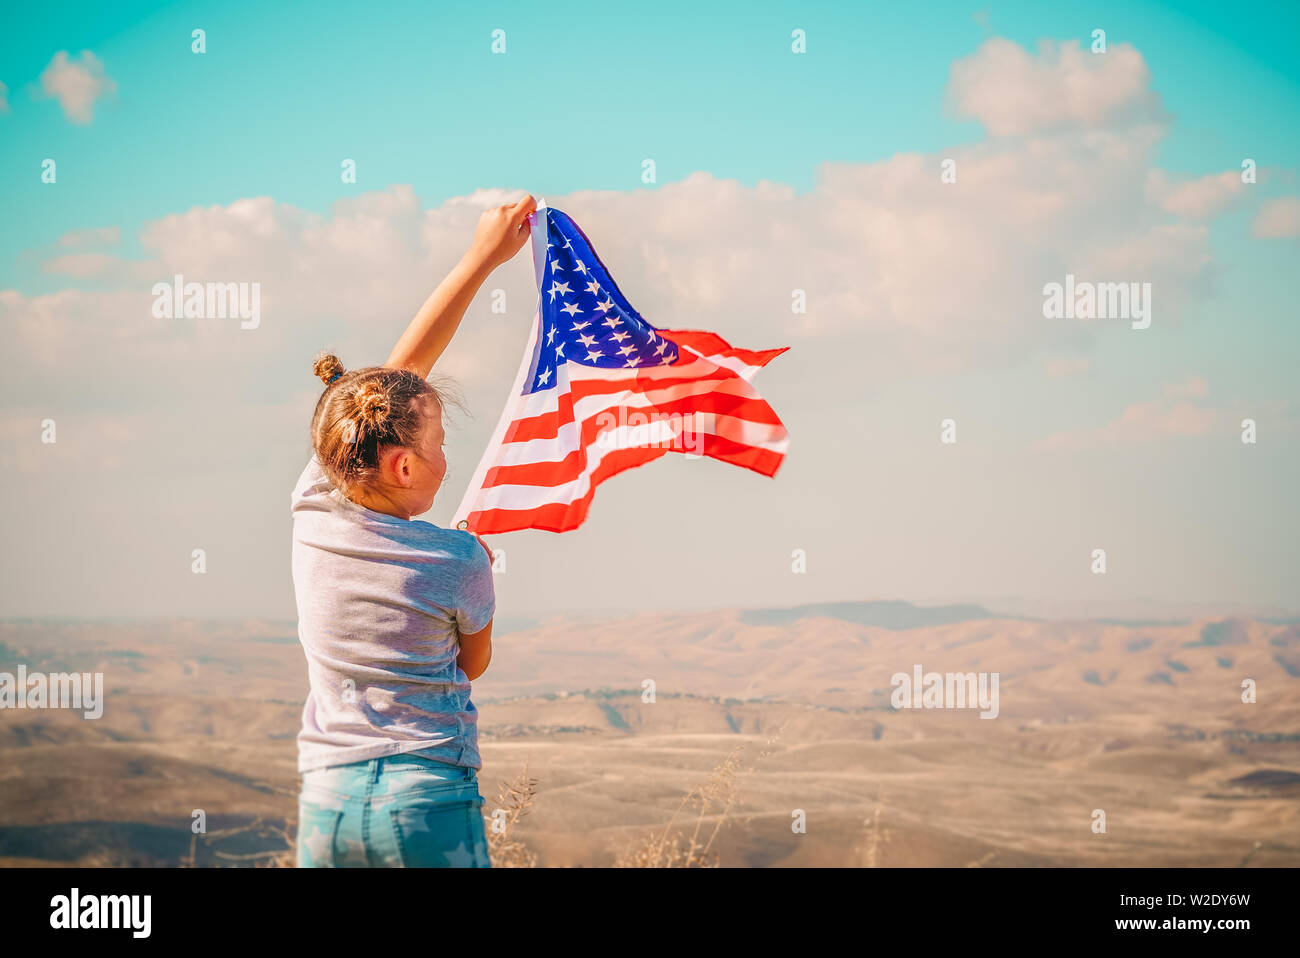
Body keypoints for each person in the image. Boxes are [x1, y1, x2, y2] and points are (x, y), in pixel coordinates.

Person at [290, 194, 537, 867]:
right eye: (441, 443)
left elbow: (396, 378)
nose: (448, 458)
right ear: (403, 464)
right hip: (425, 797)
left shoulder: (316, 499)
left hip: (330, 803)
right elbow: (471, 664)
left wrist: (479, 256)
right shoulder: (457, 558)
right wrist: (476, 561)